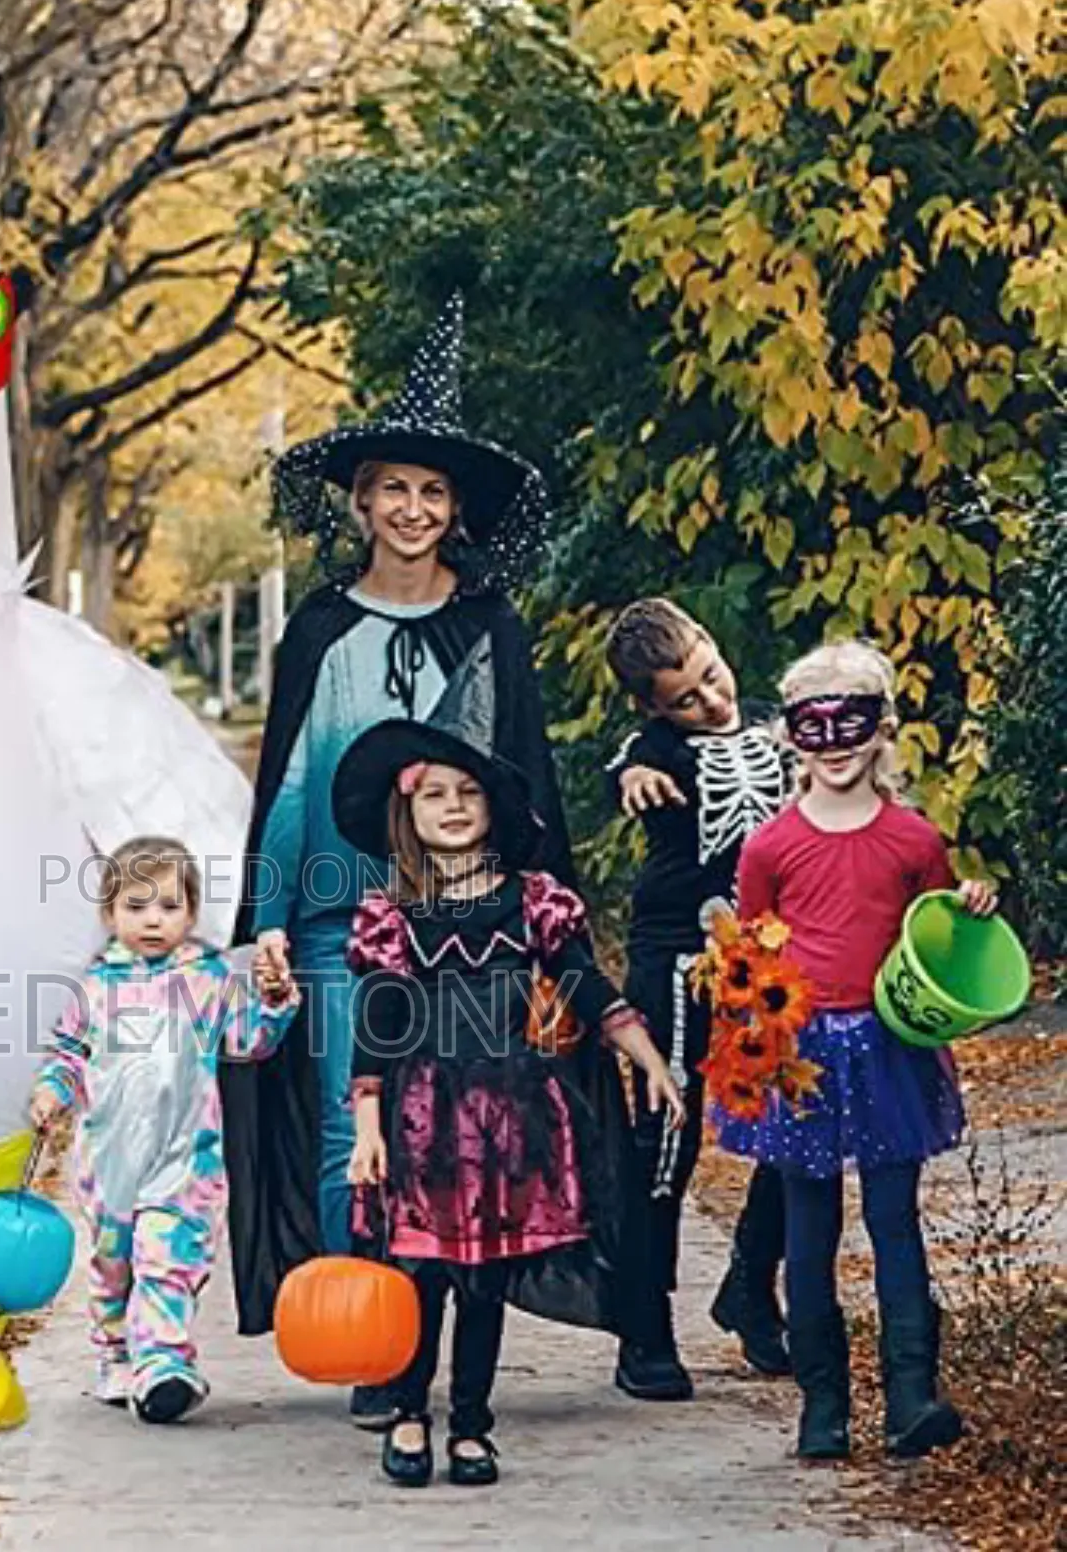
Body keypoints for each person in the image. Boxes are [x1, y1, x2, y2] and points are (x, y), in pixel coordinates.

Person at [223, 297, 578, 1434]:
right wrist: (268, 915)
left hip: (466, 924)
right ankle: (377, 1345)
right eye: (393, 488)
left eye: (433, 492)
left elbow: (524, 785)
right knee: (351, 1127)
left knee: (465, 1136)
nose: (413, 508)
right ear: (362, 500)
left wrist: (548, 937)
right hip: (339, 914)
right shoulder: (322, 626)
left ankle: (451, 1361)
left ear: (453, 509)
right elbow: (285, 783)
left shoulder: (492, 627)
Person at [336, 639, 684, 1487]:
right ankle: (411, 1410)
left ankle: (473, 1425)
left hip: (511, 1115)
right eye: (436, 796)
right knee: (421, 1271)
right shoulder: (394, 914)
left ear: (493, 807)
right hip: (423, 1115)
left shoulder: (532, 902)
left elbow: (582, 983)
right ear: (406, 815)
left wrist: (647, 1052)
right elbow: (376, 1025)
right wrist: (367, 1128)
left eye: (468, 794)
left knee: (484, 1278)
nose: (453, 807)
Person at [716, 641, 996, 1460]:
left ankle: (911, 1396)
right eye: (815, 722)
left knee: (892, 1219)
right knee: (809, 1227)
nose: (835, 740)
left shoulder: (914, 841)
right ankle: (823, 1406)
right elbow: (752, 956)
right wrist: (753, 1051)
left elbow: (934, 941)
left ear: (882, 730)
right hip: (801, 1051)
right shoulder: (769, 847)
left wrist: (971, 904)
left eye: (853, 720)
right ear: (791, 736)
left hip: (888, 1049)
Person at [30, 837, 299, 1424]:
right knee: (114, 1266)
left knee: (166, 1260)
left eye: (169, 906)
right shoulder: (94, 987)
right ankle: (116, 1350)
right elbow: (70, 1052)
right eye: (136, 906)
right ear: (109, 913)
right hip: (108, 1161)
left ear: (192, 912)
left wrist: (274, 1003)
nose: (153, 919)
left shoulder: (208, 980)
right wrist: (53, 1089)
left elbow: (249, 1042)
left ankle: (165, 1368)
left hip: (186, 1161)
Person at [603, 598, 791, 1400]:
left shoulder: (774, 726)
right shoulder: (653, 749)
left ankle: (751, 1281)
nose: (711, 702)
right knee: (667, 1138)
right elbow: (626, 766)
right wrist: (634, 774)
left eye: (712, 678)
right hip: (676, 957)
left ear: (717, 645)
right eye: (685, 698)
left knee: (799, 1130)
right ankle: (644, 1327)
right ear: (653, 706)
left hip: (773, 955)